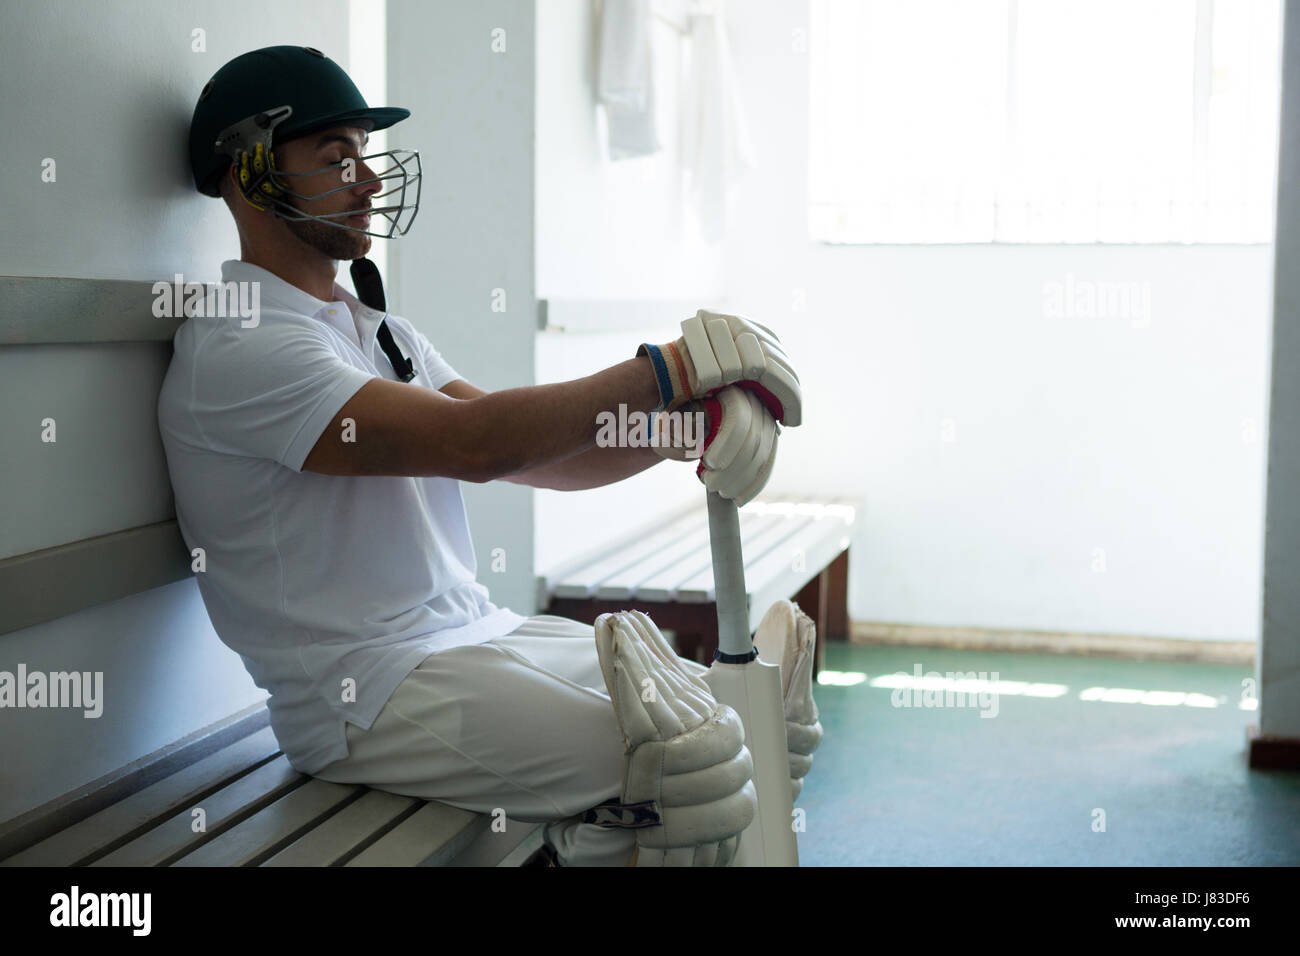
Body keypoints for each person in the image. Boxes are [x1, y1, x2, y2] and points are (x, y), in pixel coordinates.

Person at [158, 45, 804, 866]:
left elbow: (545, 459)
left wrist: (684, 426)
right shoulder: (240, 343)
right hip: (365, 693)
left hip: (472, 634)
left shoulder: (374, 330)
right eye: (337, 158)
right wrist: (669, 370)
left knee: (743, 724)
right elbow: (480, 444)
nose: (369, 179)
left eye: (364, 153)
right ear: (250, 177)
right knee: (690, 758)